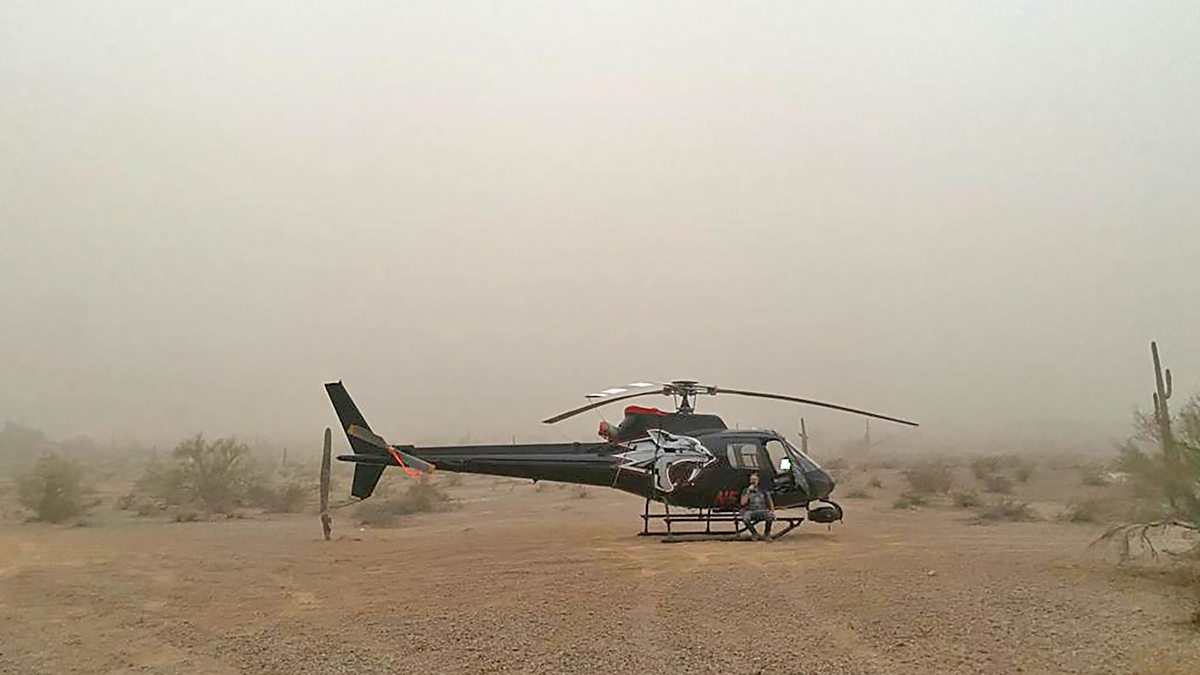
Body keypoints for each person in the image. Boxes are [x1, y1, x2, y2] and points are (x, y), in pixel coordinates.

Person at [740, 472, 775, 541]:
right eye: (752, 479)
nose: (753, 481)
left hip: (762, 510)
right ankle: (754, 533)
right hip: (751, 510)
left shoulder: (763, 490)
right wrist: (748, 492)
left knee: (770, 516)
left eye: (755, 479)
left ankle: (767, 534)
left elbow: (770, 501)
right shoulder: (745, 490)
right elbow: (743, 503)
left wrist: (772, 510)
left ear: (758, 480)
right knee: (746, 518)